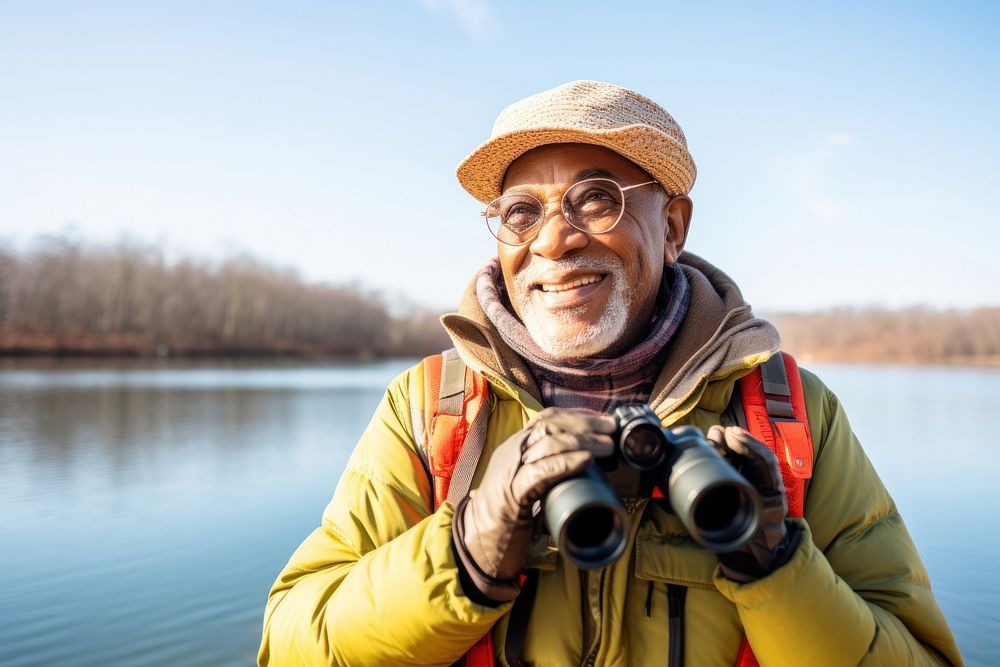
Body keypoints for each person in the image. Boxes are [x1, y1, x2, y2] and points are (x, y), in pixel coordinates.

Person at [258, 80, 963, 666]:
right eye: (520, 212)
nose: (554, 239)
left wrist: (776, 567)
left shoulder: (786, 413)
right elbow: (290, 643)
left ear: (674, 226)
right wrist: (466, 549)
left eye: (596, 199)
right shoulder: (432, 406)